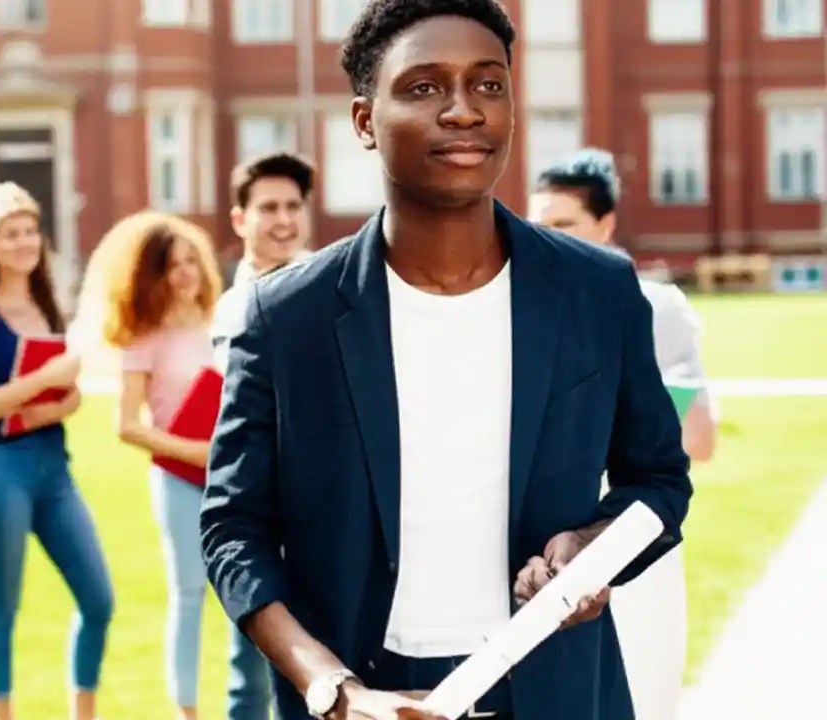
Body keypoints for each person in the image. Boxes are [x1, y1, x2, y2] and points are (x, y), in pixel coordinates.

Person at [199, 1, 694, 719]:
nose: (464, 111)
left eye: (488, 85)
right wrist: (329, 688)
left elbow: (658, 481)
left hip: (557, 690)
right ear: (365, 121)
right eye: (426, 87)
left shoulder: (597, 290)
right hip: (366, 694)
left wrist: (592, 545)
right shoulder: (285, 317)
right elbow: (233, 528)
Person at [528, 148, 718, 720]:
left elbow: (701, 442)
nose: (548, 240)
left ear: (605, 225)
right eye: (537, 226)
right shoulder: (521, 309)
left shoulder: (657, 308)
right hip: (542, 553)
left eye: (564, 224)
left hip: (630, 541)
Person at [0, 181, 114, 720]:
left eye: (29, 231)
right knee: (3, 604)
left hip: (52, 469)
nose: (23, 242)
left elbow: (62, 394)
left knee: (98, 599)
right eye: (10, 234)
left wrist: (65, 399)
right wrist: (42, 378)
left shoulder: (48, 307)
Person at [97, 212, 270, 720]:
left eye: (191, 260)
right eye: (172, 265)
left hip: (234, 477)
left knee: (249, 592)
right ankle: (187, 712)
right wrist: (191, 450)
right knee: (189, 595)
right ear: (154, 274)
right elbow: (126, 424)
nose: (185, 272)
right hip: (177, 480)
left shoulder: (228, 320)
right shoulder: (143, 338)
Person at [210, 152, 315, 371]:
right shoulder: (229, 308)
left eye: (293, 206)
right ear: (239, 221)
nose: (284, 220)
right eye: (269, 208)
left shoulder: (335, 288)